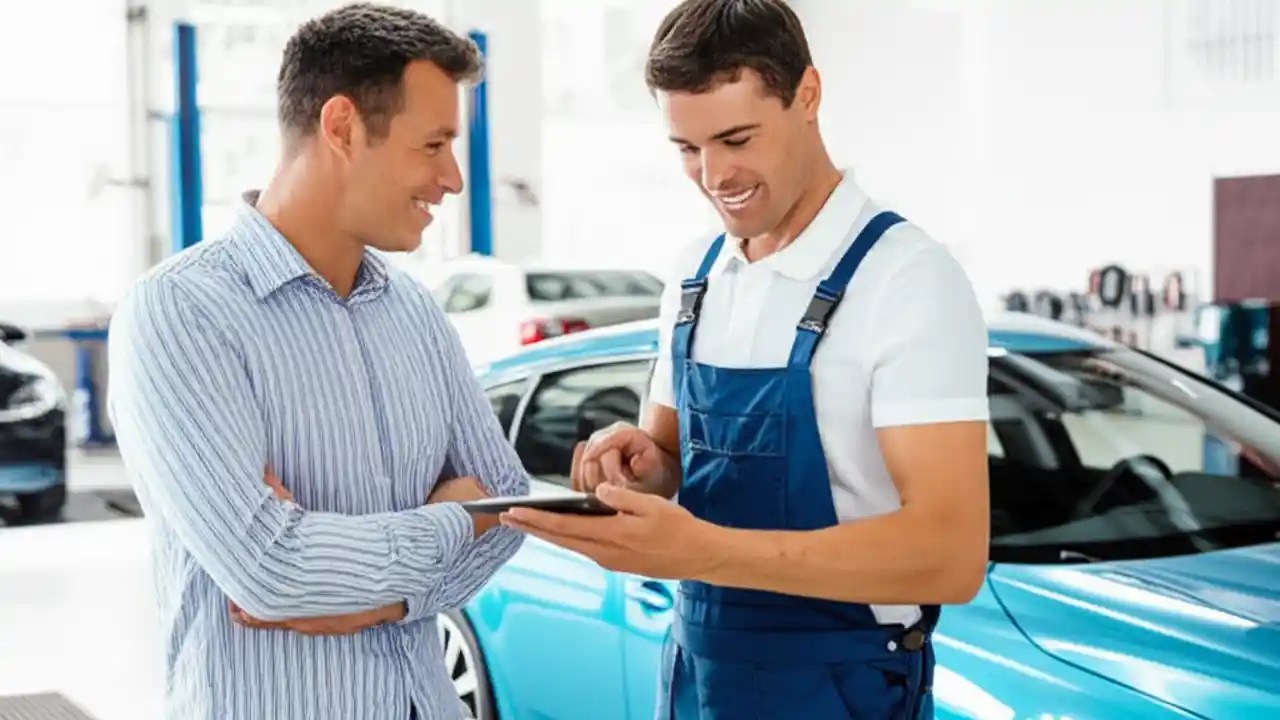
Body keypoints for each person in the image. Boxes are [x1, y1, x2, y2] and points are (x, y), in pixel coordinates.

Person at [499, 1, 991, 718]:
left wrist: (702, 552)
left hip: (838, 688)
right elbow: (672, 458)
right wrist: (640, 465)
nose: (713, 175)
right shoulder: (694, 274)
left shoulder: (907, 280)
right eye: (687, 148)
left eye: (736, 139)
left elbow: (949, 555)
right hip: (696, 675)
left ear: (808, 95)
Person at [107, 4, 526, 719]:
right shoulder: (180, 313)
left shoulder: (415, 311)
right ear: (342, 127)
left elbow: (507, 505)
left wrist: (383, 600)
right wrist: (454, 518)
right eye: (433, 145)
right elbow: (269, 570)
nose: (452, 179)